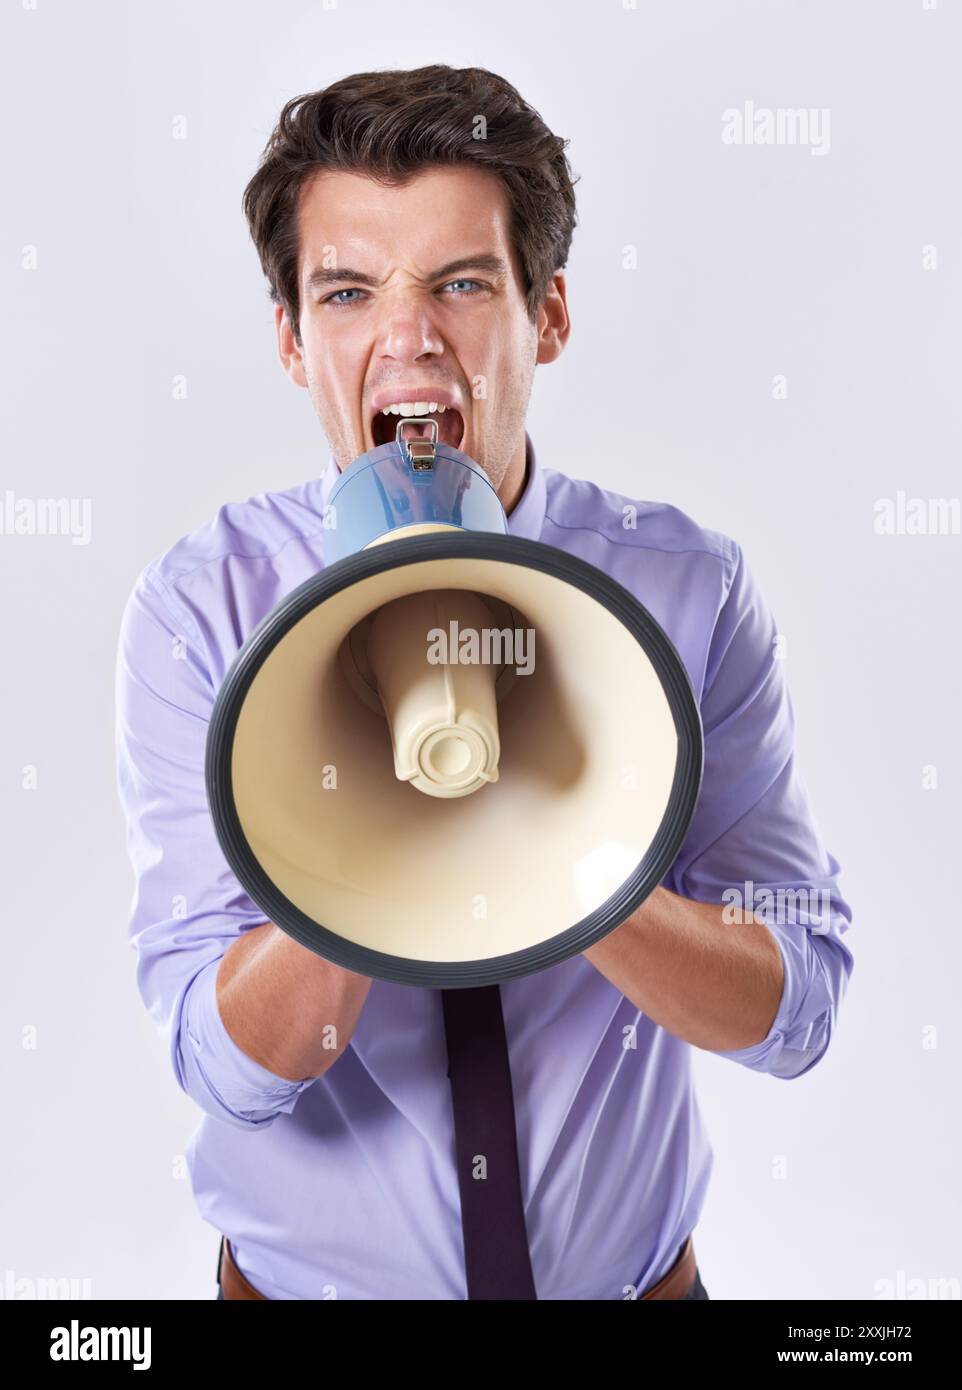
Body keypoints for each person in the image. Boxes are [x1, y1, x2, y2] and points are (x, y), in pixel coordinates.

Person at [114, 64, 854, 1301]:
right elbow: (226, 1066)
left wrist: (558, 849)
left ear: (546, 315)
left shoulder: (686, 592)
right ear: (295, 341)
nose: (406, 336)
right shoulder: (203, 611)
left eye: (460, 282)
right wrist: (372, 845)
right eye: (347, 292)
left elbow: (796, 1008)